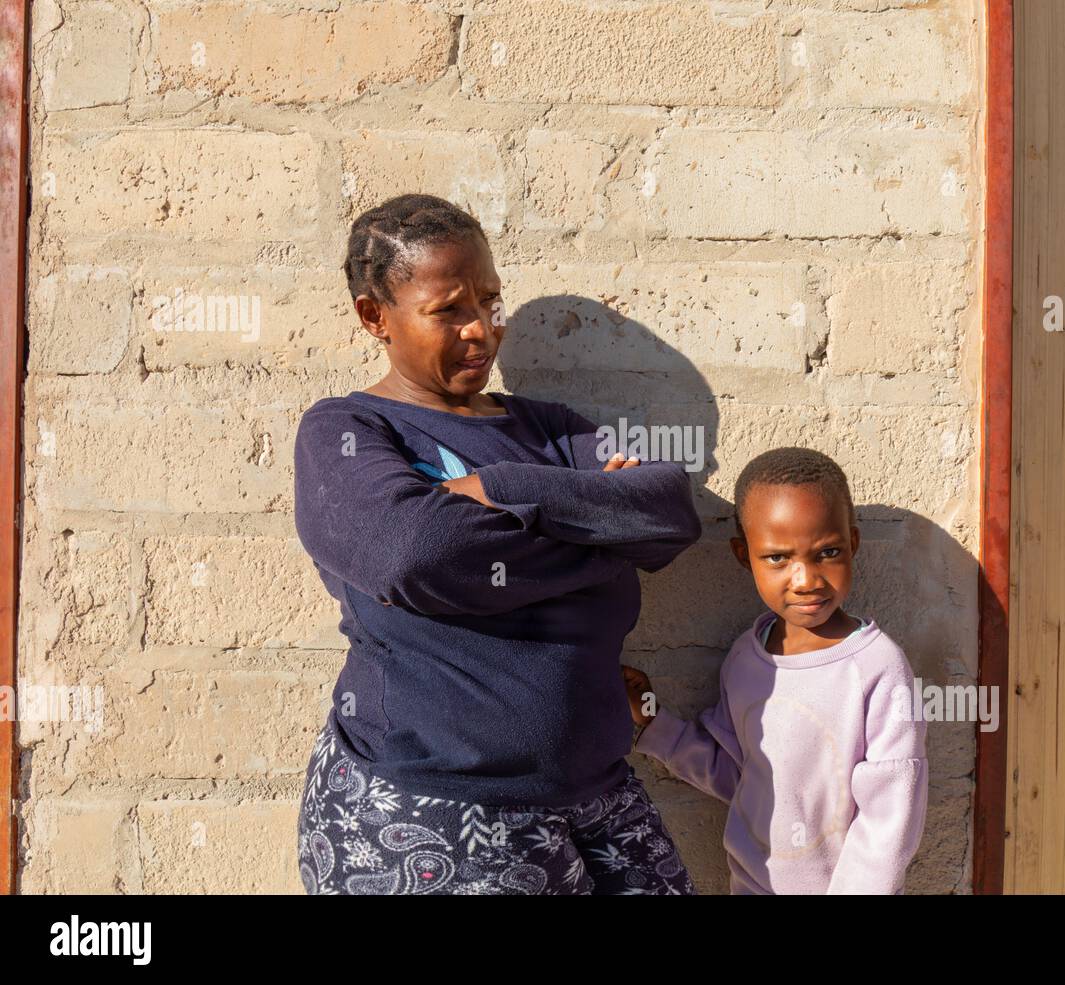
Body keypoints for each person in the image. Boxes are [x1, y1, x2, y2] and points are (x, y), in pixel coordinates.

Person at [293, 193, 702, 894]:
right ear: (374, 316)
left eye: (490, 300)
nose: (482, 329)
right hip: (435, 808)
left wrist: (501, 487)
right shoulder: (347, 433)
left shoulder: (546, 426)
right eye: (449, 309)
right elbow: (413, 553)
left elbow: (666, 511)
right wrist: (599, 533)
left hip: (600, 797)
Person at [623, 447, 927, 894]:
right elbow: (738, 778)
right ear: (743, 556)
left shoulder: (878, 668)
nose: (805, 579)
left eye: (827, 552)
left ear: (854, 545)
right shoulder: (746, 660)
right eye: (777, 558)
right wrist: (652, 720)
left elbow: (889, 819)